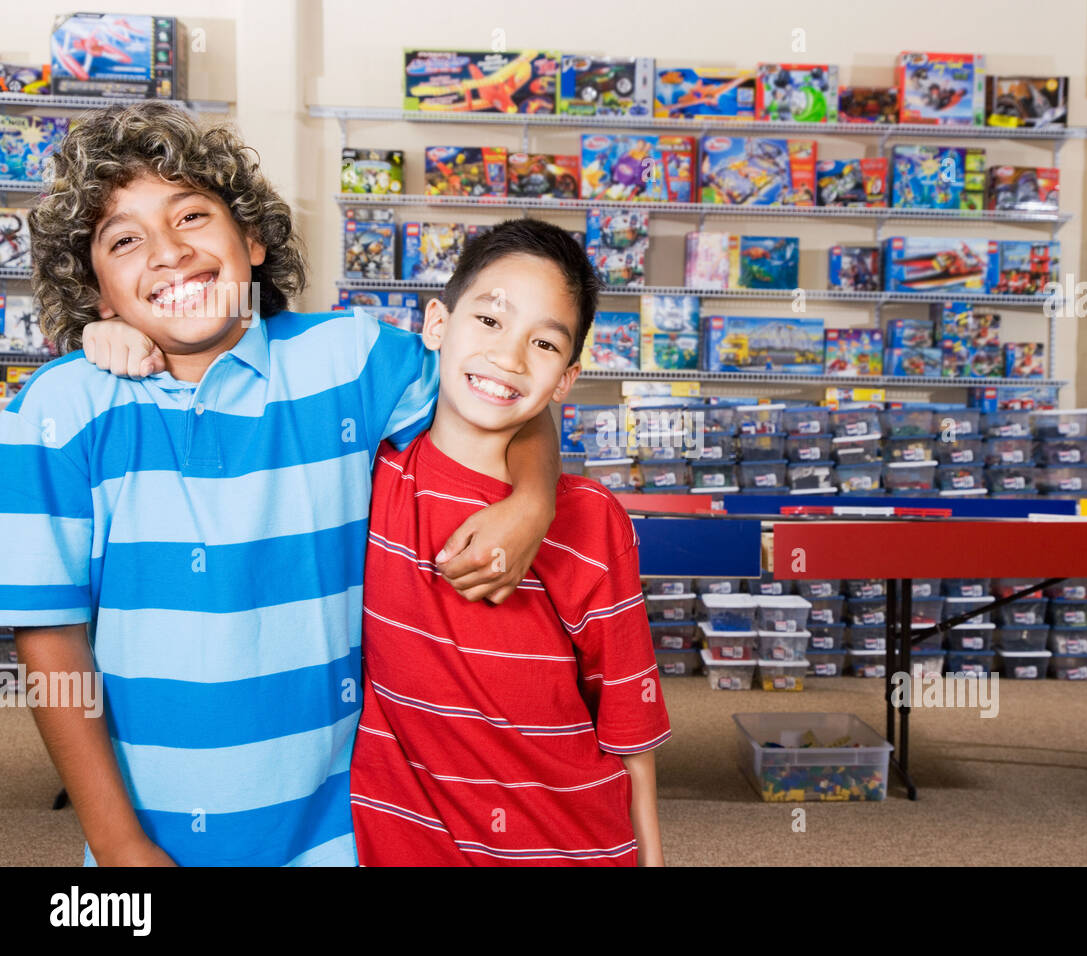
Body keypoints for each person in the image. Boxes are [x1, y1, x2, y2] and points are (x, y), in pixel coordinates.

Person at [0, 101, 559, 867]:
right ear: (98, 291)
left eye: (191, 216)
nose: (167, 252)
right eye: (124, 240)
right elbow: (51, 641)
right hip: (145, 833)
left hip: (340, 828)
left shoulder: (351, 360)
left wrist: (533, 500)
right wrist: (118, 842)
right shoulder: (56, 411)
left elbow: (506, 391)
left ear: (253, 238)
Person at [351, 218, 670, 866]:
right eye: (491, 321)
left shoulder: (589, 520)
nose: (509, 358)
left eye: (544, 344)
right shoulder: (365, 482)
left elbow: (629, 727)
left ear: (565, 380)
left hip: (570, 844)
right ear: (436, 324)